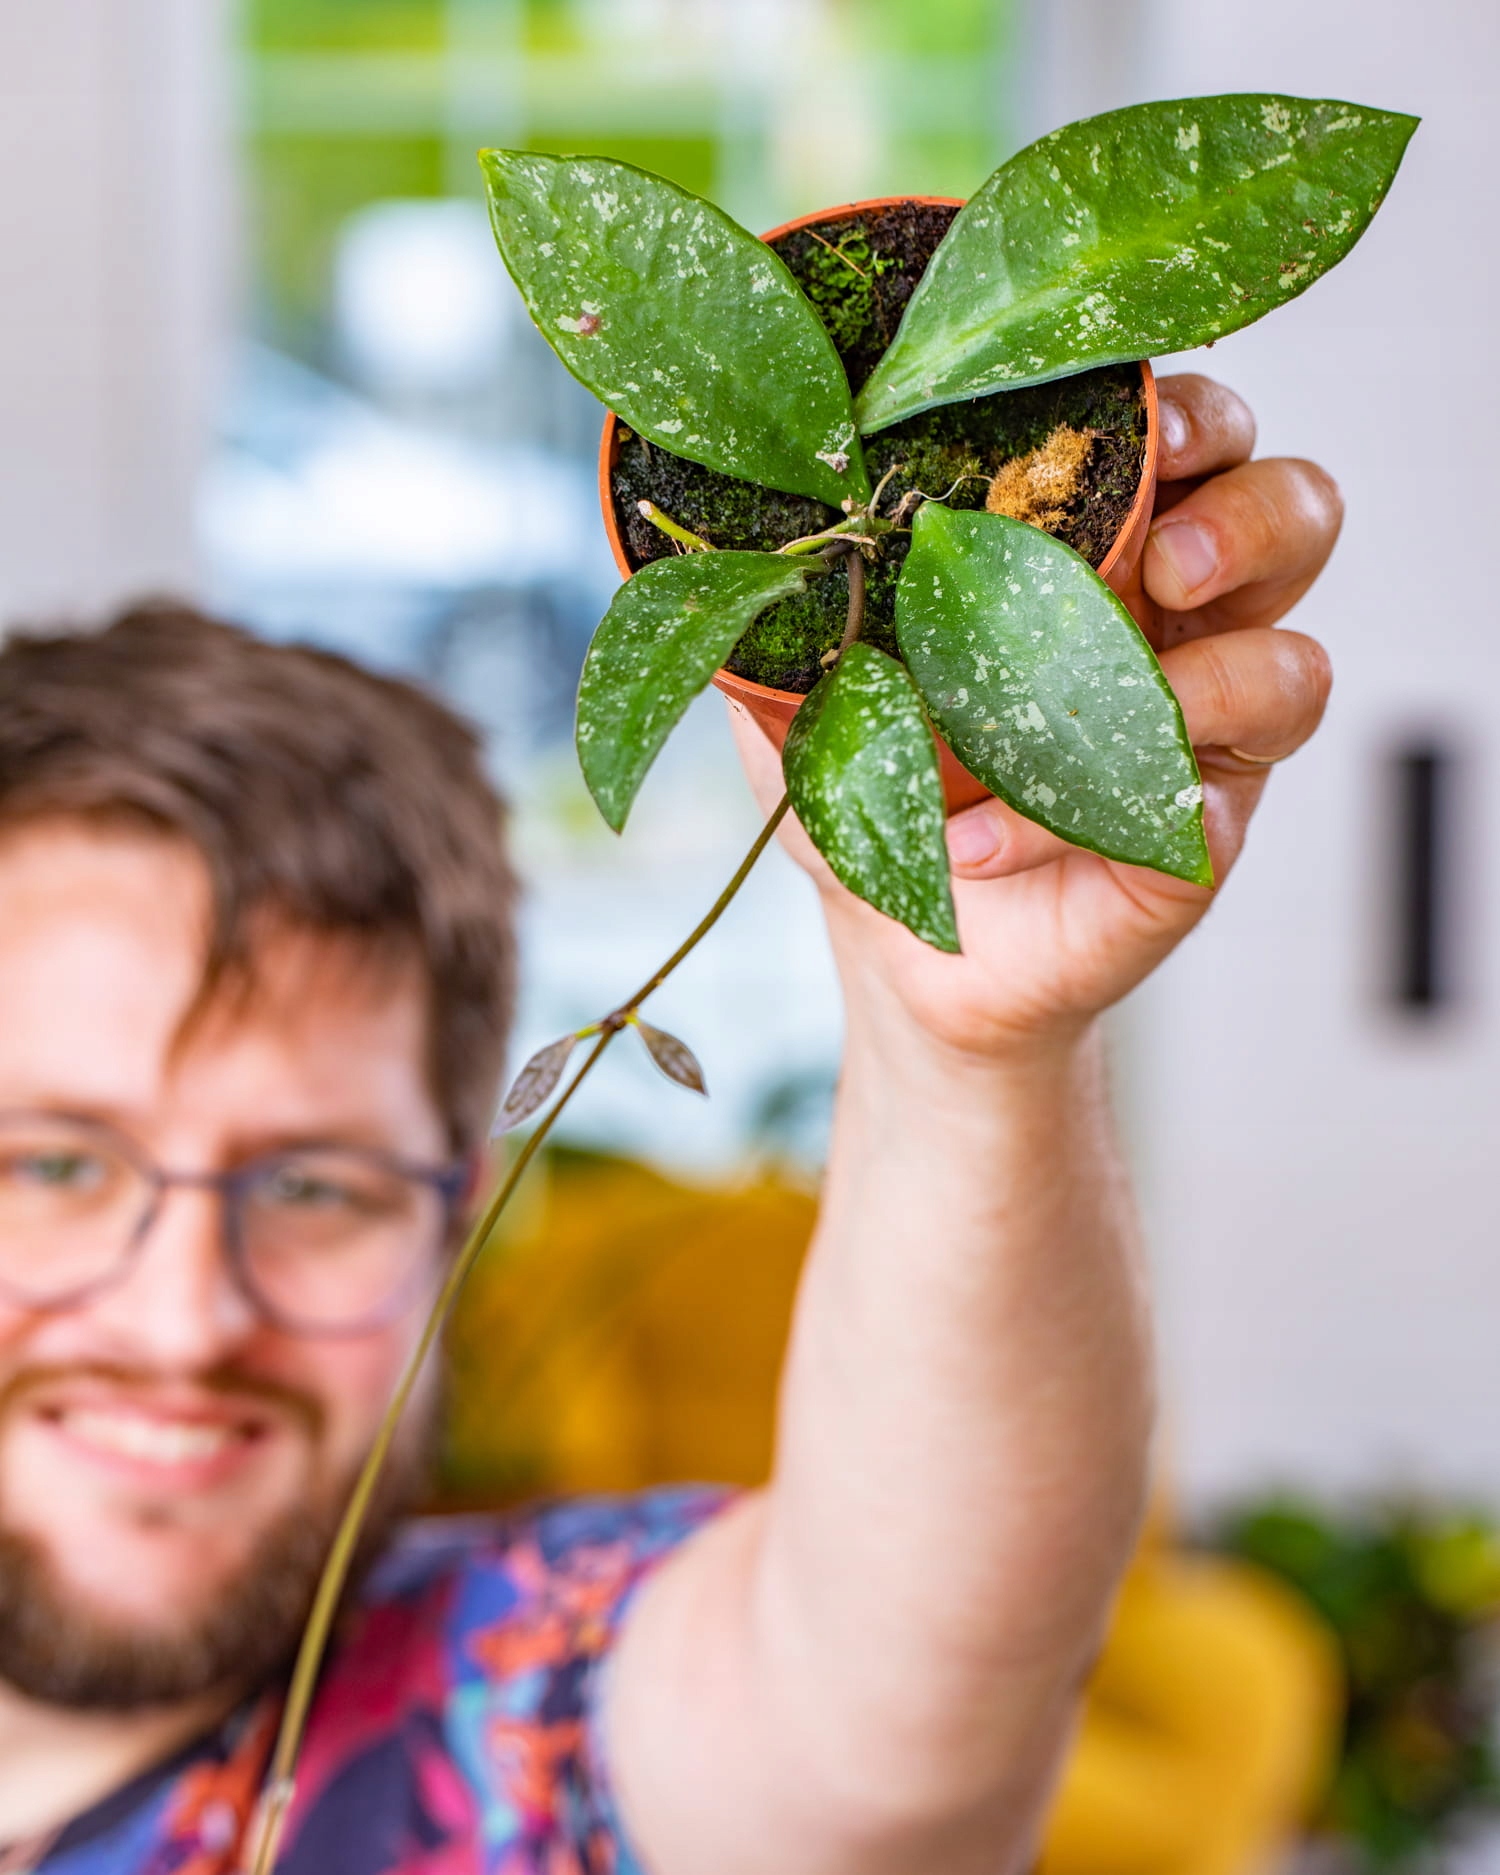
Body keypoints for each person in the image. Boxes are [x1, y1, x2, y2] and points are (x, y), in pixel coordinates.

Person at [0, 374, 1337, 1875]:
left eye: (317, 1185)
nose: (183, 1320)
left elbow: (889, 1716)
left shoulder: (505, 1709)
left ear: (461, 1211)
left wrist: (969, 1041)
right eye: (54, 1165)